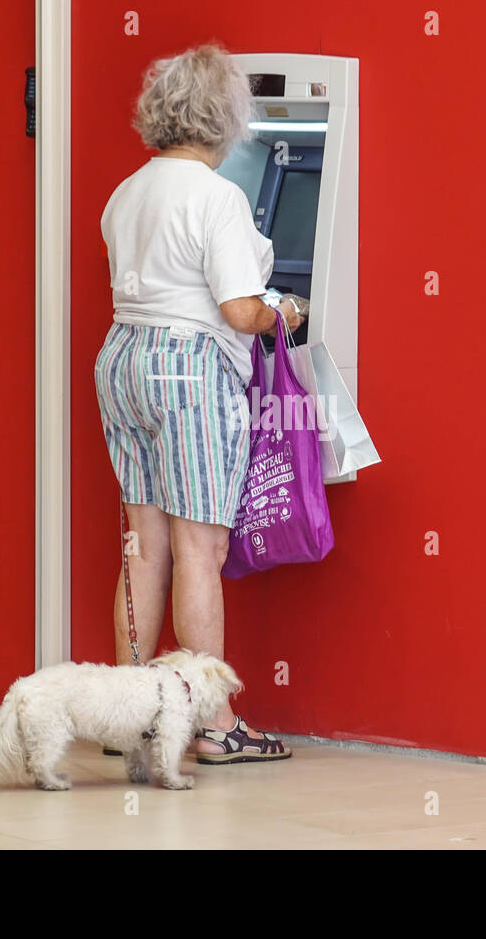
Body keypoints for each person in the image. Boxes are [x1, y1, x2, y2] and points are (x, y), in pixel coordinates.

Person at [94, 44, 305, 764]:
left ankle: (130, 716)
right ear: (226, 119)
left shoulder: (128, 190)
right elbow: (240, 309)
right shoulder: (218, 197)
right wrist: (288, 313)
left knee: (142, 546)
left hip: (122, 360)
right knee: (199, 547)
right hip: (188, 370)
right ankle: (213, 725)